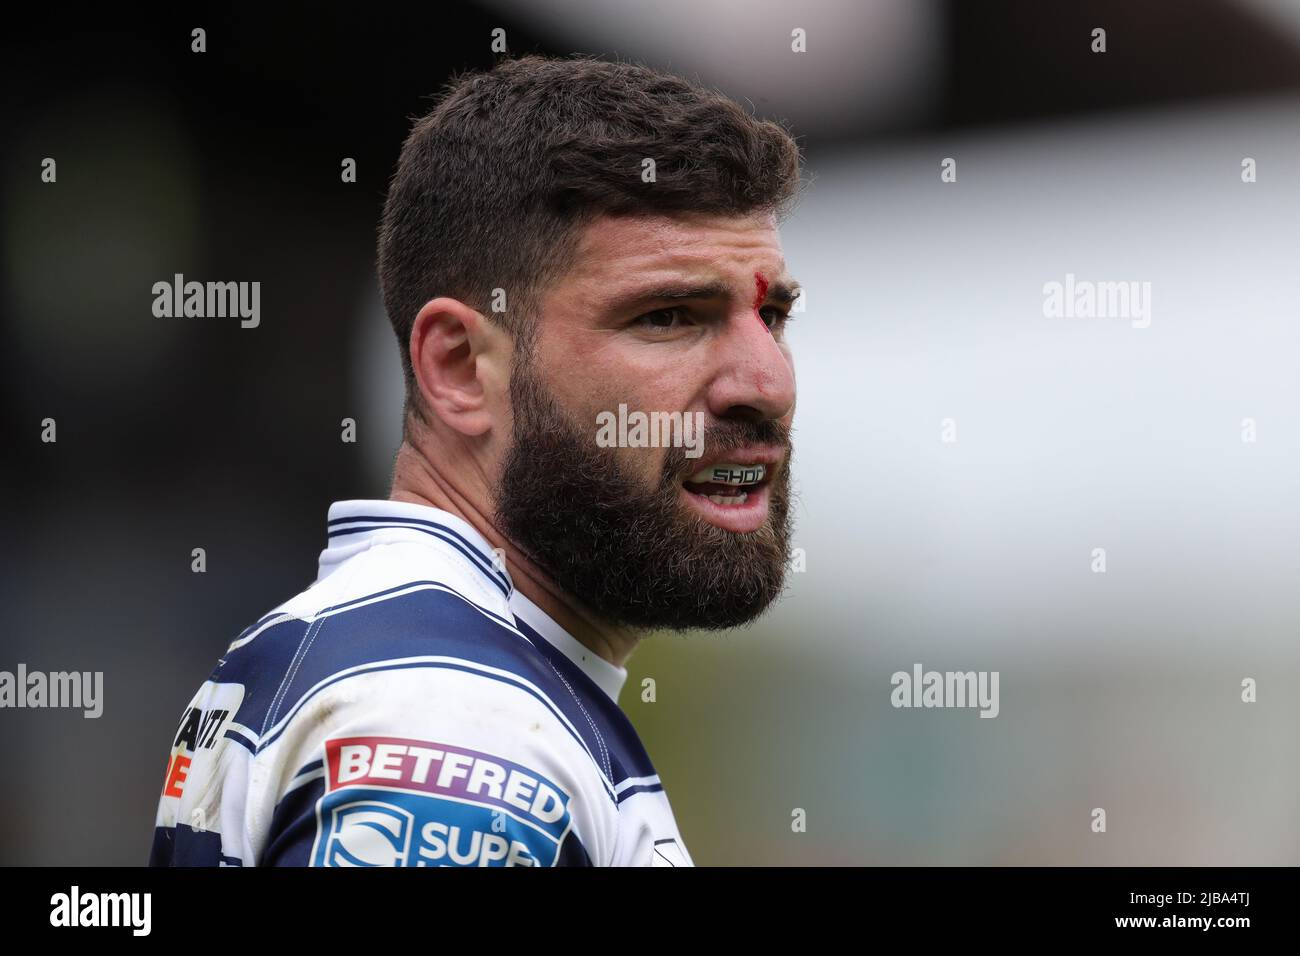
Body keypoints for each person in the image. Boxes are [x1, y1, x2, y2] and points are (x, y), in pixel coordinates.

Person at [149, 53, 803, 867]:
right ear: (459, 368)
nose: (769, 383)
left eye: (770, 314)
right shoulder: (454, 723)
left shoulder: (403, 663)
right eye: (668, 315)